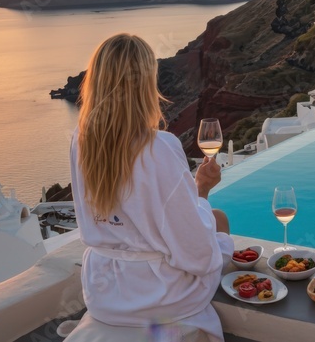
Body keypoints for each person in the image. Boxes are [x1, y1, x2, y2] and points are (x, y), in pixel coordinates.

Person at [69, 33, 233, 341]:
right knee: (220, 221)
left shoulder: (80, 143)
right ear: (146, 84)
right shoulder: (158, 148)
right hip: (158, 297)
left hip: (103, 292)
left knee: (214, 219)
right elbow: (197, 256)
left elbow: (127, 219)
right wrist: (201, 192)